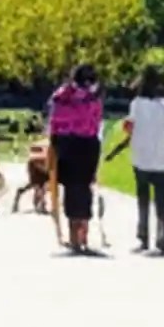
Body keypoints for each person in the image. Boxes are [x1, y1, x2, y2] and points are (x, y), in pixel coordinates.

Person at [105, 66, 164, 255]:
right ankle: (162, 240)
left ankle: (143, 238)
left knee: (143, 200)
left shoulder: (136, 104)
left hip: (141, 157)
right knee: (162, 201)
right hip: (162, 159)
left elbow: (130, 126)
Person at [48, 64, 104, 253]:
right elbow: (96, 122)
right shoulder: (92, 98)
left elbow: (54, 121)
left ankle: (73, 237)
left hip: (66, 144)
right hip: (88, 144)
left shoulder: (61, 96)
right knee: (85, 187)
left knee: (71, 188)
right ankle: (84, 235)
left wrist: (54, 144)